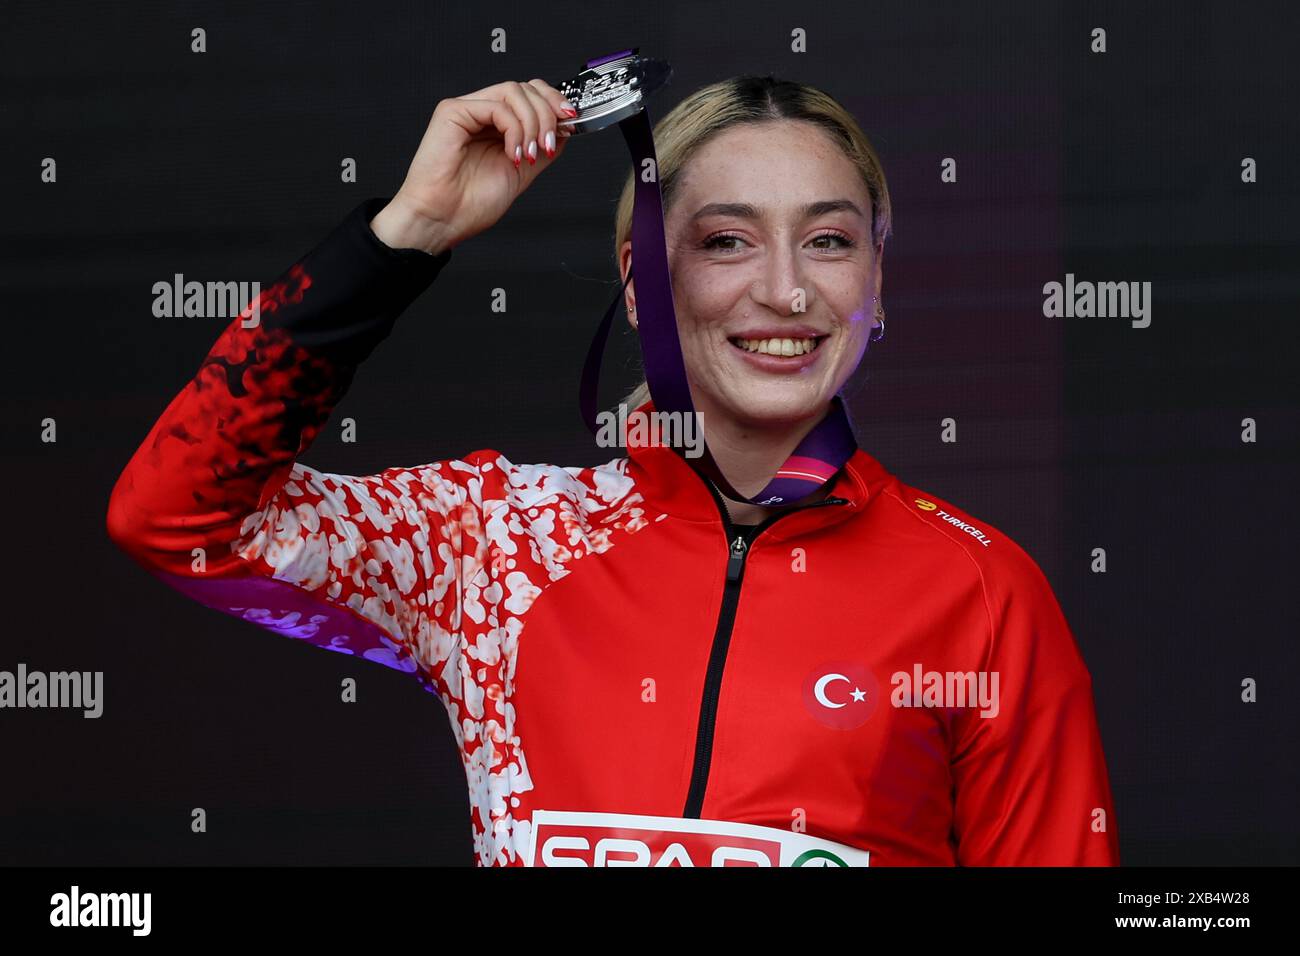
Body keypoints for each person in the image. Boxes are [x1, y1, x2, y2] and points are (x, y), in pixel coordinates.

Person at [106, 73, 1120, 867]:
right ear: (641, 284)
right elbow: (180, 517)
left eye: (827, 240)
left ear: (875, 284)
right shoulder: (493, 542)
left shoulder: (982, 590)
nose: (783, 287)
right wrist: (404, 237)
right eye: (726, 240)